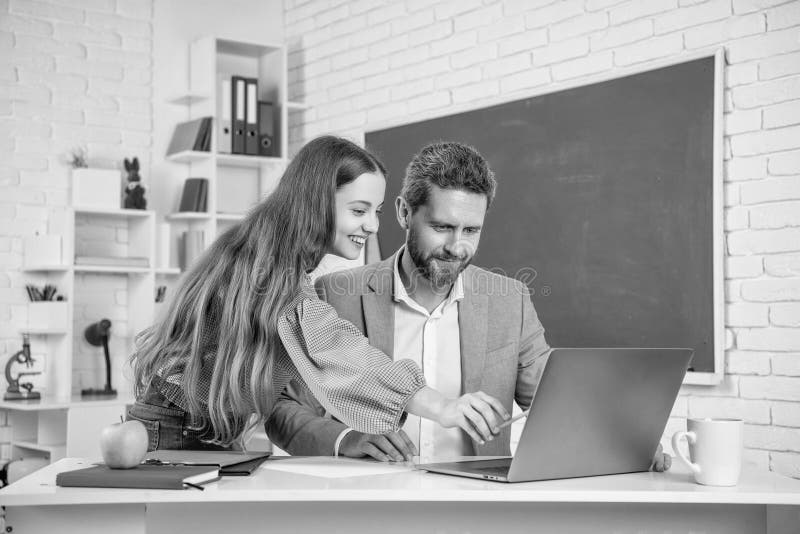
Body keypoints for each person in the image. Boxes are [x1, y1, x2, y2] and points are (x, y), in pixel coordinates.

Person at [266, 141, 671, 471]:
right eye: (442, 227)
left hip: (480, 505)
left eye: (471, 230)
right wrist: (345, 438)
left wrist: (621, 440)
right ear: (404, 213)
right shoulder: (333, 294)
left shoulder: (510, 301)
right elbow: (284, 410)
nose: (456, 246)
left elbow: (557, 400)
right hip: (372, 501)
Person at [127, 136, 509, 451]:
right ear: (318, 201)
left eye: (376, 211)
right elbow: (337, 349)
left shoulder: (264, 247)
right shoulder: (272, 270)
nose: (373, 226)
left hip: (194, 422)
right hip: (181, 426)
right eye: (358, 211)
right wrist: (442, 407)